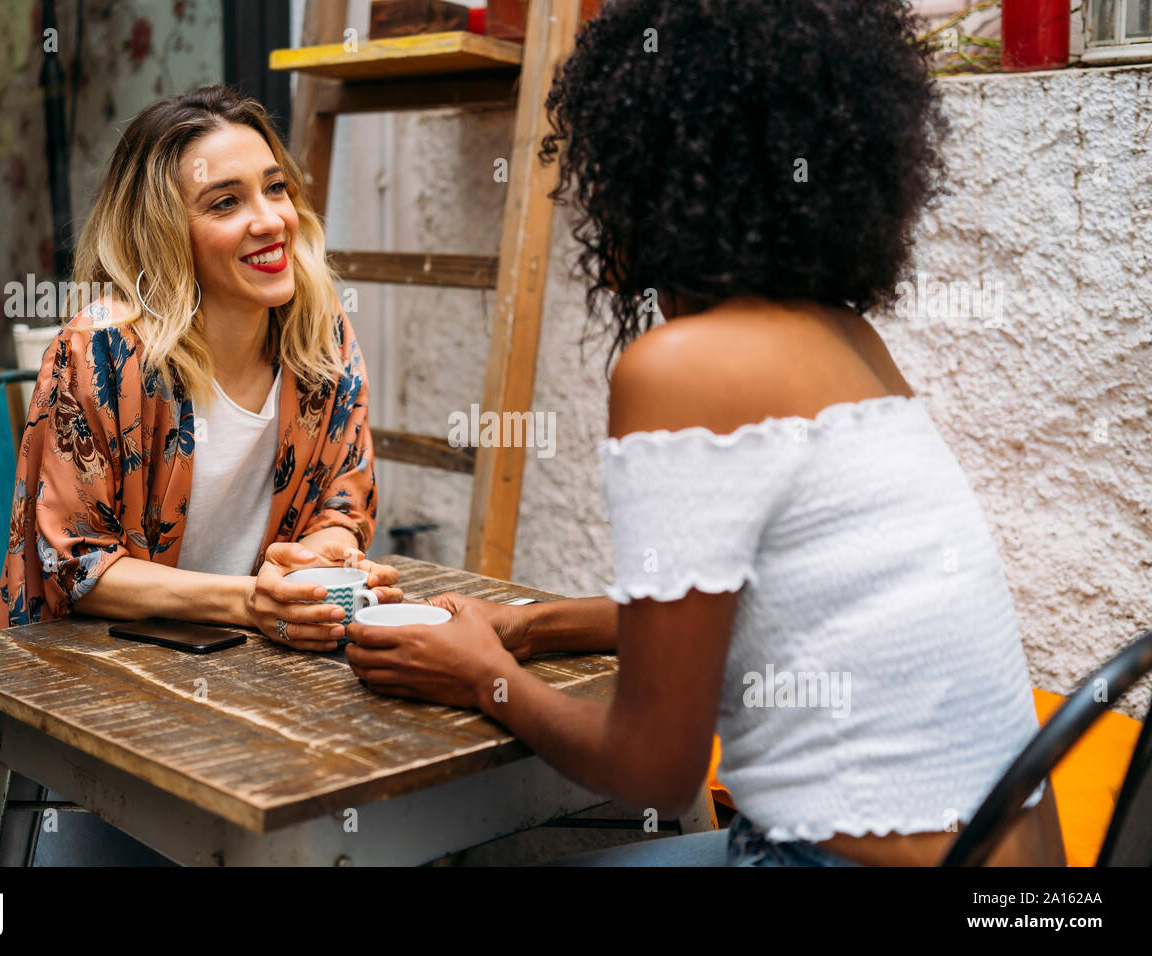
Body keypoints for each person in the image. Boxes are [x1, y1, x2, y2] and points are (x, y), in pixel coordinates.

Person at [343, 0, 1067, 866]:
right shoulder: (849, 343)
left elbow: (651, 766)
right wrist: (529, 628)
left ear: (648, 165)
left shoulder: (681, 367)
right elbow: (765, 609)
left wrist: (482, 678)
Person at [0, 86, 402, 856]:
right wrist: (257, 602)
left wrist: (324, 557)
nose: (270, 219)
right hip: (53, 740)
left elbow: (343, 503)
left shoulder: (324, 336)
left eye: (275, 187)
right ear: (165, 233)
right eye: (225, 202)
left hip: (224, 714)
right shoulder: (102, 355)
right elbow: (81, 570)